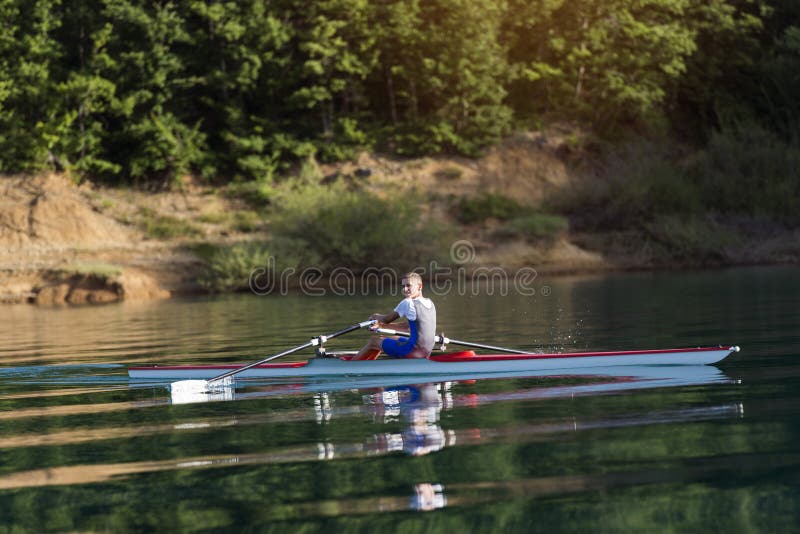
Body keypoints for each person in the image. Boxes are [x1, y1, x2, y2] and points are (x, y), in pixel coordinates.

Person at [353, 272, 436, 360]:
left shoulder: (407, 302)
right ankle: (369, 363)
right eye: (403, 286)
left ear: (419, 286)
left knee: (374, 341)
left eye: (408, 285)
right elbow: (407, 327)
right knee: (392, 338)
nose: (405, 289)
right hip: (425, 352)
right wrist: (381, 326)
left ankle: (352, 366)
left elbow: (386, 319)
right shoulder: (430, 303)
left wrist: (375, 316)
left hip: (411, 351)